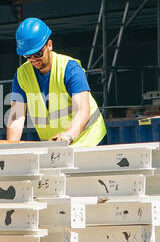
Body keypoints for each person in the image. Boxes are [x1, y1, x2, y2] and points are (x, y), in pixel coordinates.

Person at [6, 17, 106, 146]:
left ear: (49, 45)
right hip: (55, 145)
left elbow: (83, 110)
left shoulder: (70, 69)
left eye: (37, 54)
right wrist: (10, 149)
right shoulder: (21, 76)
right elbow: (17, 117)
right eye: (27, 56)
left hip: (88, 140)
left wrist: (68, 136)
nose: (33, 60)